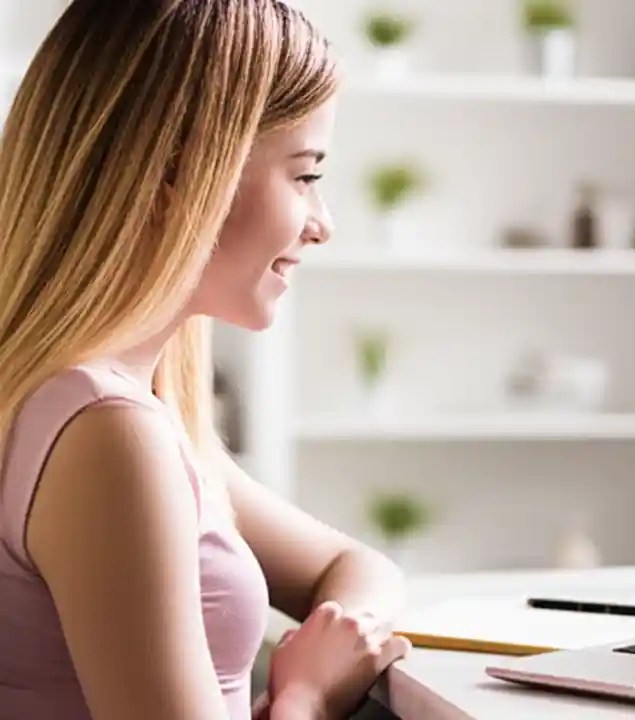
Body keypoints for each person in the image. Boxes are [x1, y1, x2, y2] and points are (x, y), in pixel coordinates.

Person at [0, 2, 412, 719]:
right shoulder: (107, 434)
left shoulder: (109, 404)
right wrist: (307, 698)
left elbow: (354, 567)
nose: (322, 224)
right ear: (179, 179)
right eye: (305, 177)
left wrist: (332, 639)